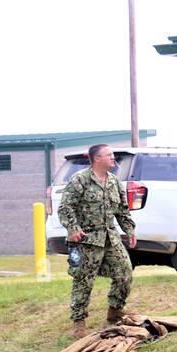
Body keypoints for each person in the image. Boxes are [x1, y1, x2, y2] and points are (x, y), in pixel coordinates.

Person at [57, 144, 137, 337]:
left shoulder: (114, 182)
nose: (113, 157)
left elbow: (122, 210)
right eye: (108, 154)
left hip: (110, 237)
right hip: (88, 239)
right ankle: (79, 323)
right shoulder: (80, 180)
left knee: (125, 273)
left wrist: (130, 230)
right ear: (97, 159)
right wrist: (73, 229)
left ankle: (115, 310)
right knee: (83, 281)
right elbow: (65, 208)